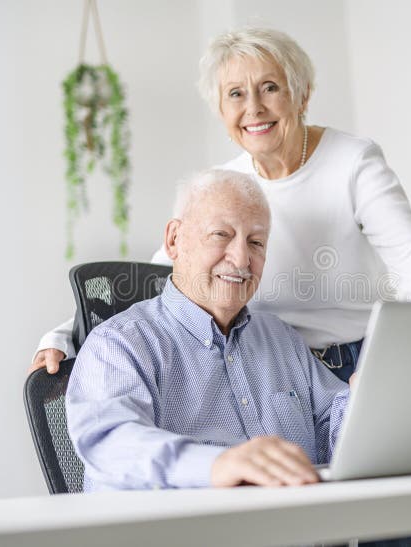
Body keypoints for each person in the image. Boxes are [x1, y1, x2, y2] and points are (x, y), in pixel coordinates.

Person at [32, 26, 411, 384]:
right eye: (235, 94)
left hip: (364, 361)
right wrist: (66, 333)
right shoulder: (228, 186)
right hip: (273, 372)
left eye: (270, 88)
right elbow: (159, 278)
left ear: (303, 94)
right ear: (220, 110)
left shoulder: (353, 160)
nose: (253, 108)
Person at [67, 169, 351, 491]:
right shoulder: (120, 343)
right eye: (221, 235)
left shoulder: (281, 339)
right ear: (174, 239)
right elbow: (111, 442)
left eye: (256, 242)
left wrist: (365, 401)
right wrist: (217, 465)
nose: (242, 258)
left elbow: (334, 426)